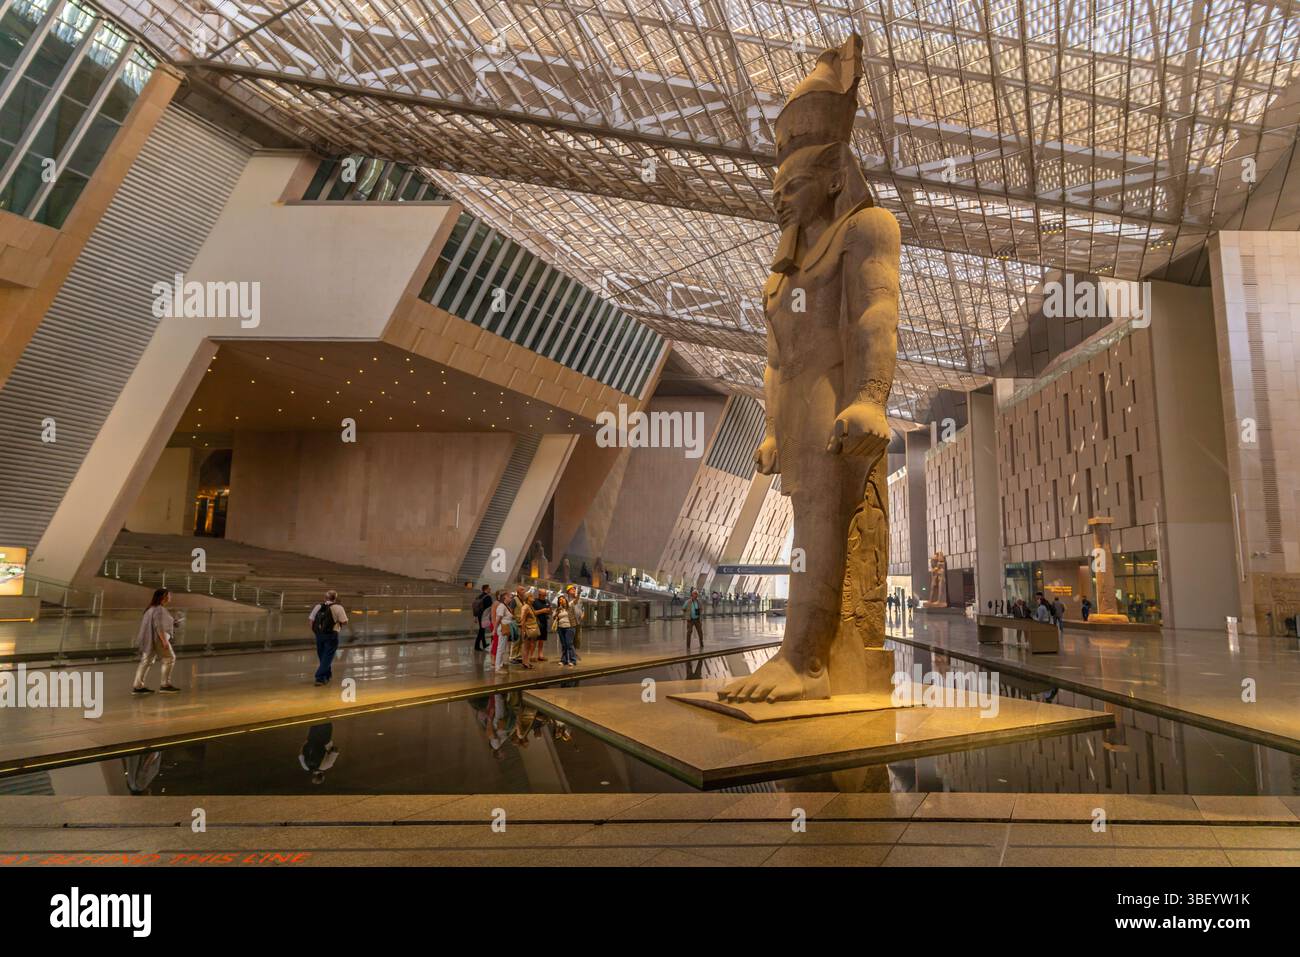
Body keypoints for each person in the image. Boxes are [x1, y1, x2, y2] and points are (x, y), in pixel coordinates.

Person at [133, 588, 179, 695]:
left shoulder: (150, 609)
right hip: (158, 639)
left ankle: (138, 686)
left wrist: (173, 622)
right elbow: (158, 626)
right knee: (170, 658)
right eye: (169, 595)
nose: (170, 597)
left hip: (149, 639)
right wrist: (164, 641)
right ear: (163, 597)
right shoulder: (158, 609)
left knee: (146, 661)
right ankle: (165, 685)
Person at [308, 590, 349, 686]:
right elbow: (344, 622)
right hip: (331, 635)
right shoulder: (338, 608)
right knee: (327, 657)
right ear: (335, 598)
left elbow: (311, 620)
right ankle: (320, 677)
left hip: (319, 635)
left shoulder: (318, 606)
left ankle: (327, 675)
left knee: (322, 656)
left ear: (324, 598)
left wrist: (316, 632)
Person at [491, 589, 513, 674]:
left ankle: (499, 665)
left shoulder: (506, 606)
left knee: (502, 647)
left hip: (506, 629)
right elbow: (498, 619)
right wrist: (494, 629)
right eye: (509, 596)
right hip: (502, 629)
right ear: (505, 597)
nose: (511, 597)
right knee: (500, 648)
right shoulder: (501, 606)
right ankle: (497, 667)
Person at [554, 594, 578, 666]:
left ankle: (573, 660)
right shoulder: (558, 609)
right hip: (560, 628)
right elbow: (554, 617)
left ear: (566, 599)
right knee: (564, 645)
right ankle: (563, 660)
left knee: (569, 644)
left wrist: (578, 593)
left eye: (563, 599)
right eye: (560, 600)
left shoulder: (570, 606)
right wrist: (558, 611)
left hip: (569, 627)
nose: (561, 600)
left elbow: (576, 600)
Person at [531, 588, 551, 663]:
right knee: (534, 640)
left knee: (542, 639)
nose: (544, 596)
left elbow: (550, 611)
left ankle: (540, 654)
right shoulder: (534, 602)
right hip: (536, 622)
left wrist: (549, 611)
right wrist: (542, 611)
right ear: (539, 595)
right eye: (543, 595)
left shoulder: (547, 601)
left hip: (544, 622)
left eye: (545, 595)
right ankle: (532, 655)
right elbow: (532, 612)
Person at [472, 583, 492, 651]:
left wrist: (475, 616)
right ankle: (476, 646)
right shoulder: (488, 597)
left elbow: (475, 607)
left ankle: (484, 644)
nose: (490, 589)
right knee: (481, 630)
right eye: (489, 588)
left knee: (482, 629)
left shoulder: (479, 596)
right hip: (485, 615)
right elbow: (490, 608)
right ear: (486, 589)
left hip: (479, 615)